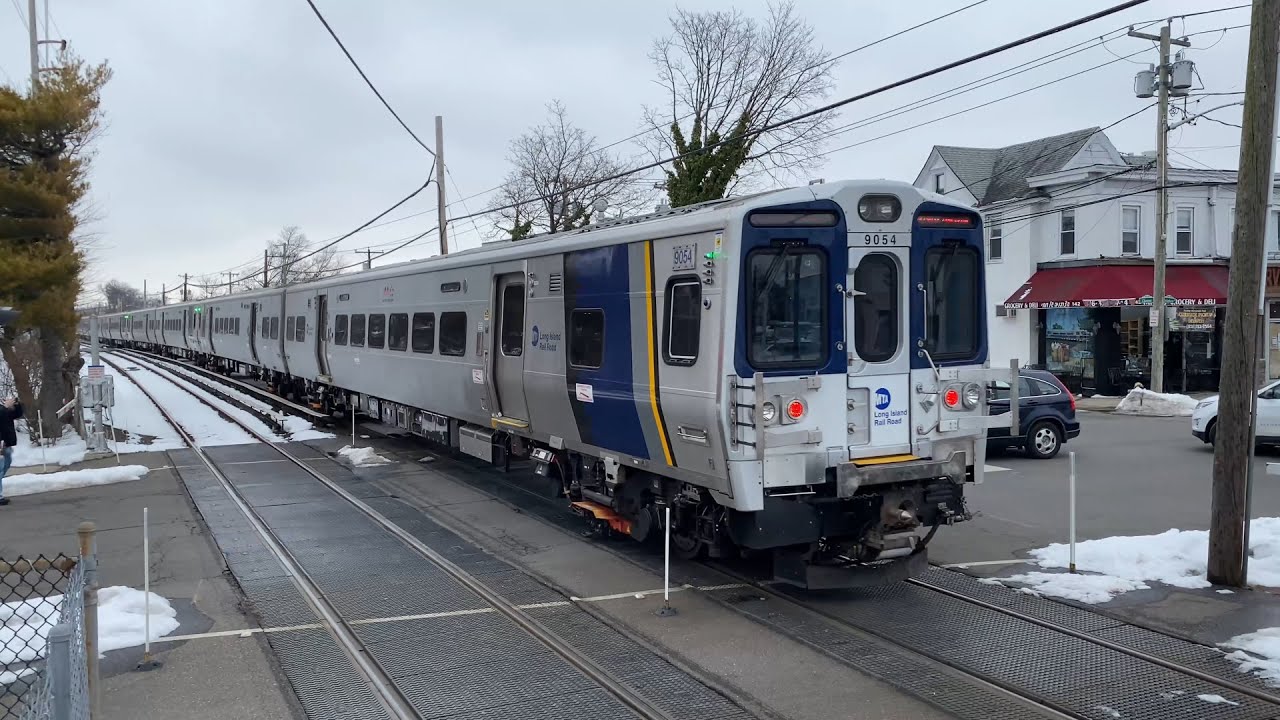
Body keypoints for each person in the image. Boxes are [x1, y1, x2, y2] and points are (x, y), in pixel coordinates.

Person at [0, 397, 24, 505]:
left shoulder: (2, 409)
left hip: (6, 443)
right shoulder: (2, 409)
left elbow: (16, 414)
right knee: (0, 468)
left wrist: (16, 404)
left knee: (7, 464)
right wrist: (5, 407)